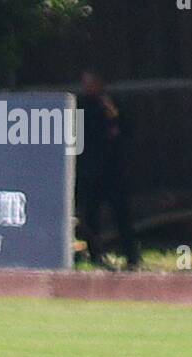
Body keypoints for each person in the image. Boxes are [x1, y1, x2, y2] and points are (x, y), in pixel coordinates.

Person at [77, 70, 141, 271]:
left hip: (113, 172)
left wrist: (115, 122)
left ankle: (131, 257)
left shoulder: (111, 104)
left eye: (91, 83)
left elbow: (125, 129)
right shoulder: (80, 107)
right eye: (85, 83)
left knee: (122, 215)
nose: (88, 87)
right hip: (90, 173)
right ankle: (96, 256)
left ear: (100, 83)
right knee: (91, 217)